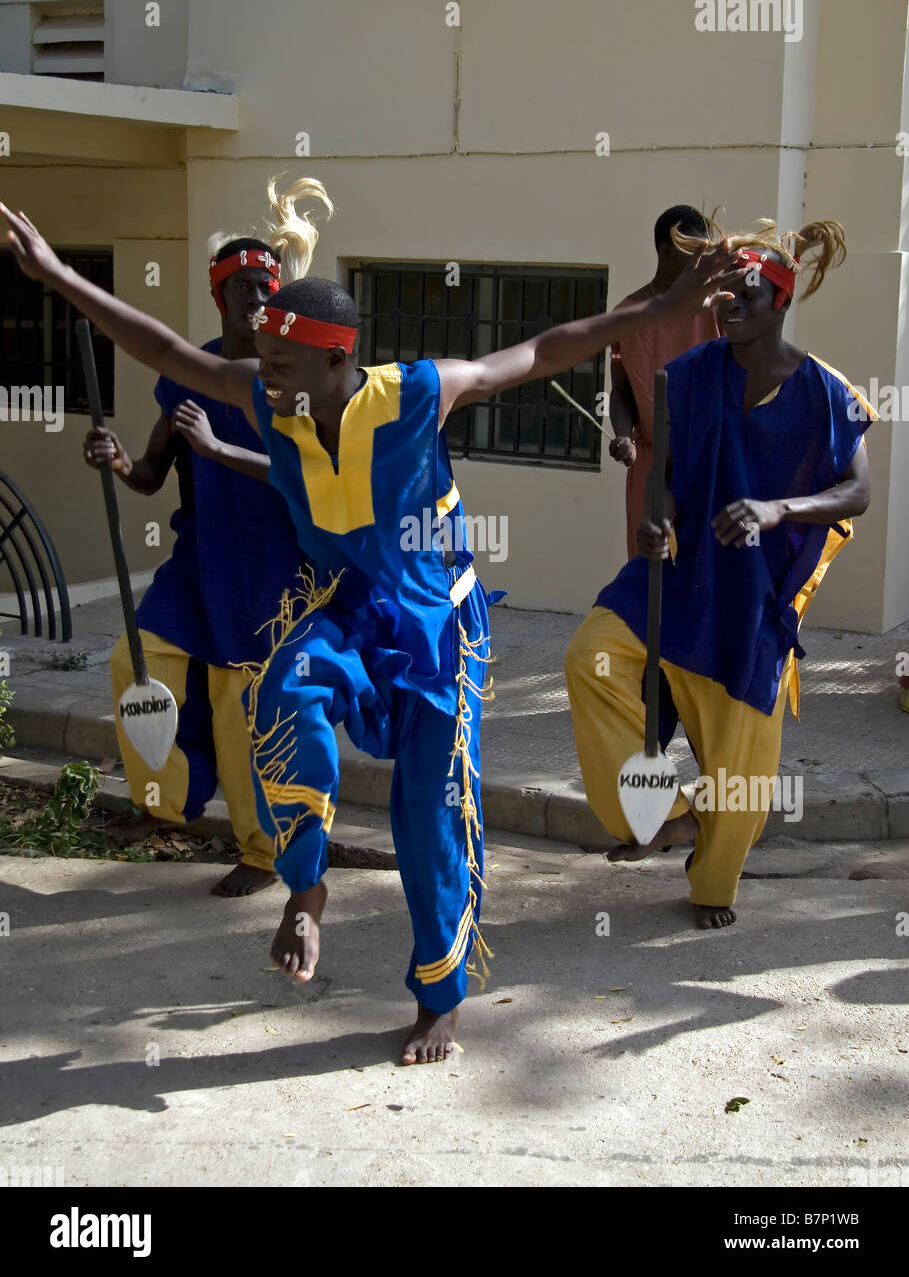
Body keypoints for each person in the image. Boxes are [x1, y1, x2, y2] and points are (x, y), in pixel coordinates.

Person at [0, 199, 738, 1060]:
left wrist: (661, 306)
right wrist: (55, 274)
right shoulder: (266, 397)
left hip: (436, 620)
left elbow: (539, 352)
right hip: (349, 605)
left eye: (279, 360)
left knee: (426, 815)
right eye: (259, 357)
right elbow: (161, 349)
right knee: (281, 690)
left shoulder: (418, 393)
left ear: (336, 357)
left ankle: (438, 994)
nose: (258, 372)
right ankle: (304, 889)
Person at [567, 217, 875, 929]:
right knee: (590, 657)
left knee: (741, 785)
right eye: (722, 296)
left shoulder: (825, 390)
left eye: (745, 294)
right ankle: (666, 816)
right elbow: (665, 475)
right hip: (678, 579)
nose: (728, 306)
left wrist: (777, 508)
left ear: (780, 301)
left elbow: (855, 491)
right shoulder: (685, 378)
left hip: (754, 599)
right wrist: (658, 519)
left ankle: (709, 883)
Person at [88, 177, 332, 896]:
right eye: (246, 290)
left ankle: (262, 853)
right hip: (198, 563)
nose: (259, 302)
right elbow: (151, 475)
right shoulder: (190, 373)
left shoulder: (291, 380)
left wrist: (226, 449)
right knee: (136, 663)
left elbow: (310, 481)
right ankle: (169, 802)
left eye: (268, 289)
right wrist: (118, 460)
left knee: (242, 717)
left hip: (270, 571)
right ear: (220, 297)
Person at [609, 205, 719, 559]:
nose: (700, 261)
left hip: (709, 462)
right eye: (692, 252)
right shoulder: (627, 314)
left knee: (704, 573)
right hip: (652, 465)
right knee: (649, 576)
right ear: (666, 249)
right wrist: (624, 435)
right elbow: (622, 390)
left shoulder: (718, 307)